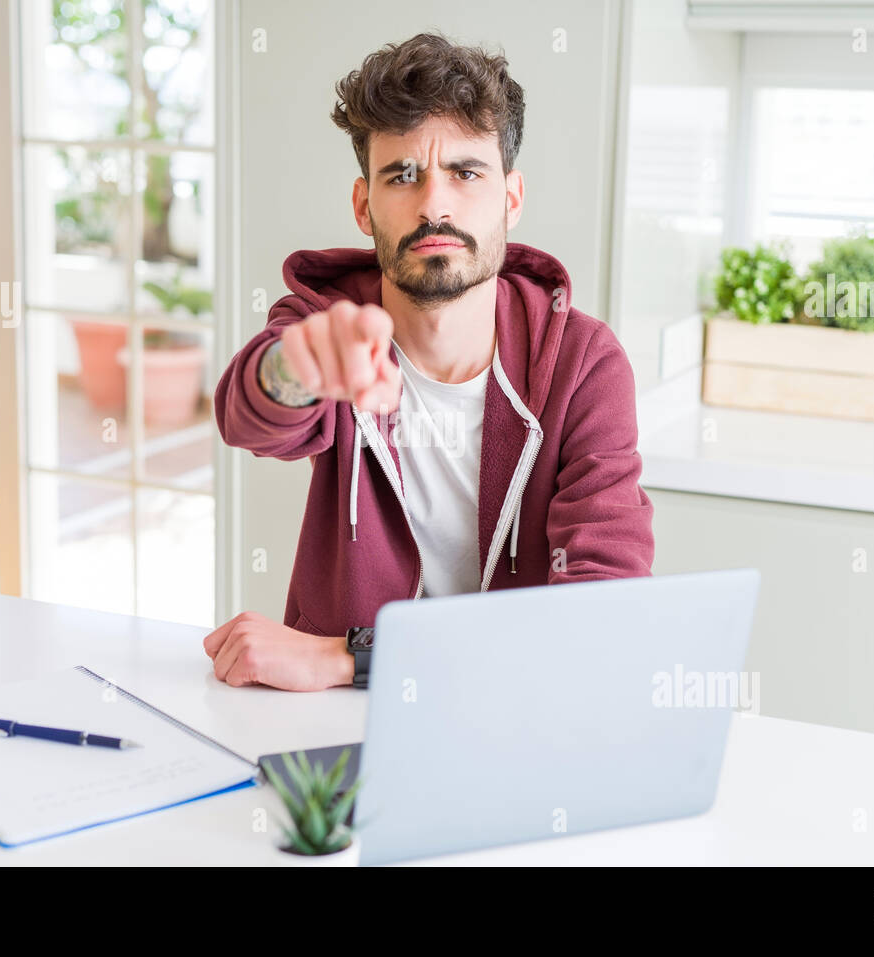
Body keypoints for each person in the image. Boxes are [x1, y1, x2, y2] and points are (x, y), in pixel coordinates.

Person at [204, 31, 654, 691]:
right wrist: (292, 372)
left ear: (511, 196)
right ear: (365, 205)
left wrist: (347, 657)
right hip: (340, 723)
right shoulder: (328, 328)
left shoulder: (583, 363)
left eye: (466, 172)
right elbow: (249, 414)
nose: (434, 204)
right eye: (402, 175)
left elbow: (600, 613)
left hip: (514, 710)